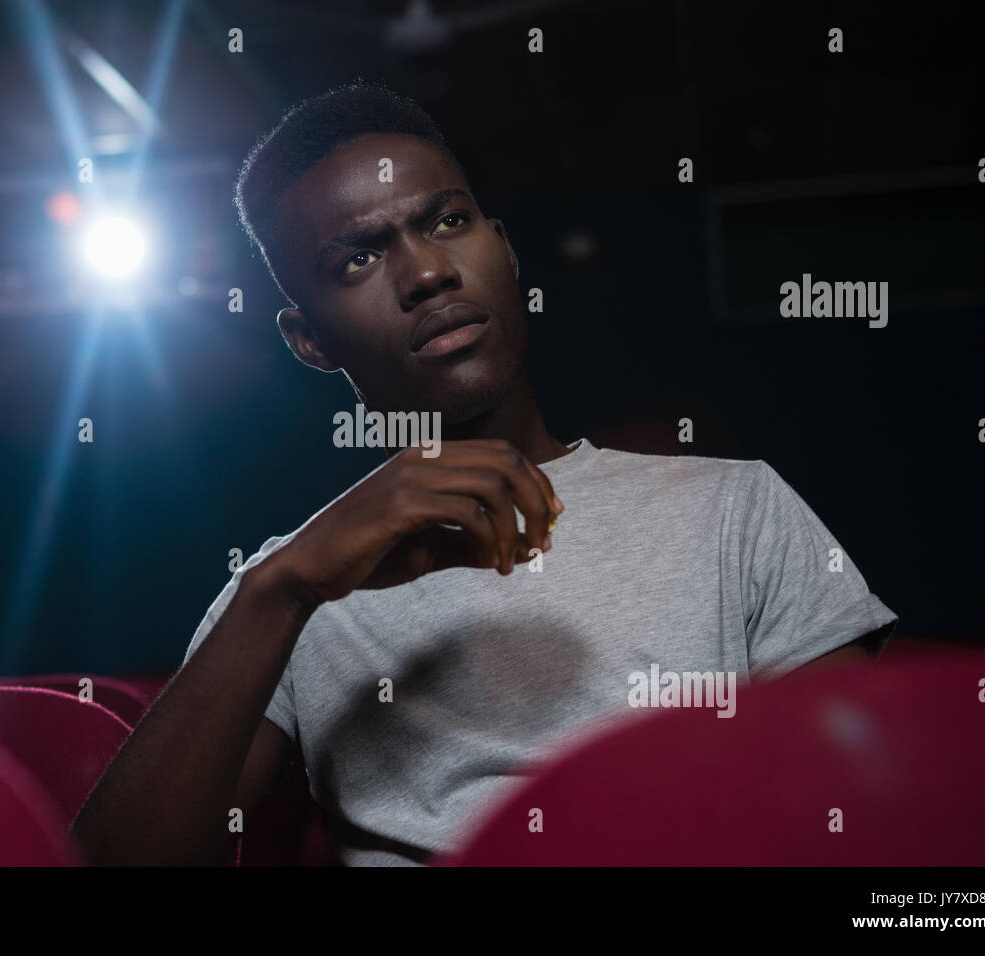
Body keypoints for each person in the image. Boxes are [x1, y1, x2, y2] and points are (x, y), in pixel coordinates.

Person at [71, 81, 898, 866]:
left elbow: (865, 830)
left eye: (447, 221)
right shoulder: (289, 591)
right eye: (356, 260)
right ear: (308, 340)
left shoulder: (736, 507)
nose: (426, 273)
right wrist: (280, 590)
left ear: (501, 251)